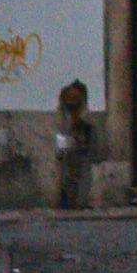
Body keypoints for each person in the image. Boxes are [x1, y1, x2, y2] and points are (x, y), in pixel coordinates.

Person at [53, 81, 94, 211]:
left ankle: (70, 200)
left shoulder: (70, 111)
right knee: (69, 172)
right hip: (70, 140)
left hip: (72, 139)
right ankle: (69, 200)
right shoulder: (70, 112)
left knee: (71, 172)